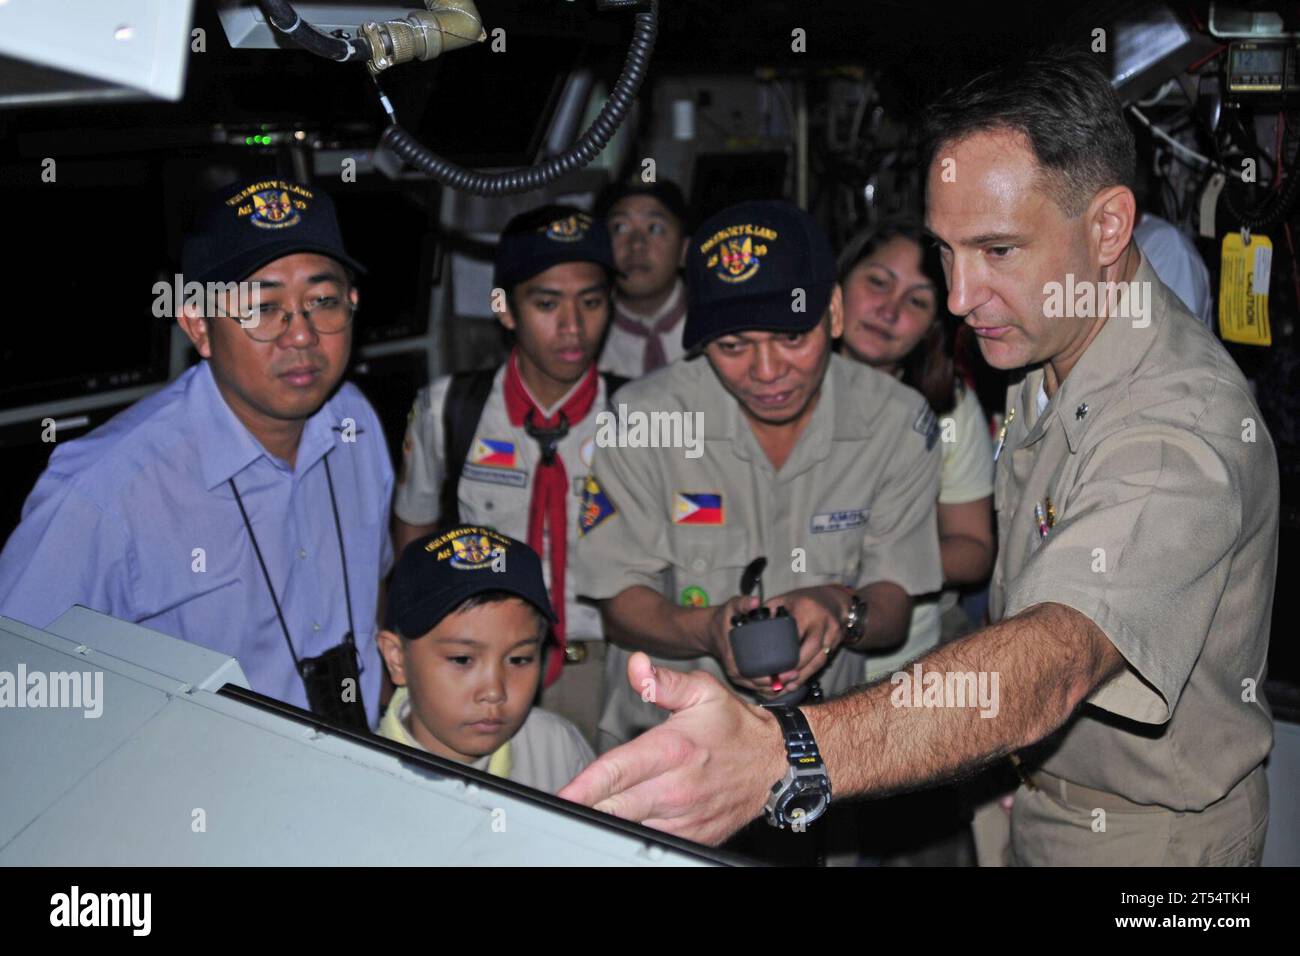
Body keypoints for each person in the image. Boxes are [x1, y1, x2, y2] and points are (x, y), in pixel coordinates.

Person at [561, 48, 1277, 866]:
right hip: (1038, 800)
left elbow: (1055, 658)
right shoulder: (1052, 347)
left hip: (1151, 845)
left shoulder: (1178, 424)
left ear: (1108, 226)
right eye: (947, 250)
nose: (960, 299)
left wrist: (782, 751)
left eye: (998, 250)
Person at [0, 178, 393, 728]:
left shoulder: (357, 424)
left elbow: (373, 583)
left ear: (352, 305)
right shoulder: (105, 493)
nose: (300, 335)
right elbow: (16, 685)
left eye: (322, 302)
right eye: (262, 308)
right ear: (198, 326)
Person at [575, 199, 944, 755]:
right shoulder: (640, 421)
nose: (767, 372)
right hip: (667, 743)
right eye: (733, 346)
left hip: (822, 746)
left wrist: (838, 609)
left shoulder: (898, 423)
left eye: (792, 338)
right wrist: (706, 629)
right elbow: (618, 603)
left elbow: (893, 605)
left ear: (836, 313)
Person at [391, 205, 619, 746]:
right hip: (481, 671)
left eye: (591, 301)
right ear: (506, 309)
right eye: (546, 303)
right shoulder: (448, 409)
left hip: (604, 667)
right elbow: (413, 540)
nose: (572, 326)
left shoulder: (640, 416)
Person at [837, 220, 996, 864]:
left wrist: (879, 565)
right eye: (876, 282)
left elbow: (973, 548)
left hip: (906, 678)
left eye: (917, 300)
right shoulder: (775, 385)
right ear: (836, 287)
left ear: (935, 323)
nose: (889, 309)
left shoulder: (947, 409)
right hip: (793, 682)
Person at [377, 525, 594, 793]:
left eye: (519, 659)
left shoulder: (557, 748)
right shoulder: (359, 775)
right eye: (461, 659)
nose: (493, 692)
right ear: (397, 659)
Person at [595, 178, 692, 379]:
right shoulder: (585, 335)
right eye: (620, 228)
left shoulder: (716, 329)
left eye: (655, 228)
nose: (637, 244)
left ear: (684, 250)